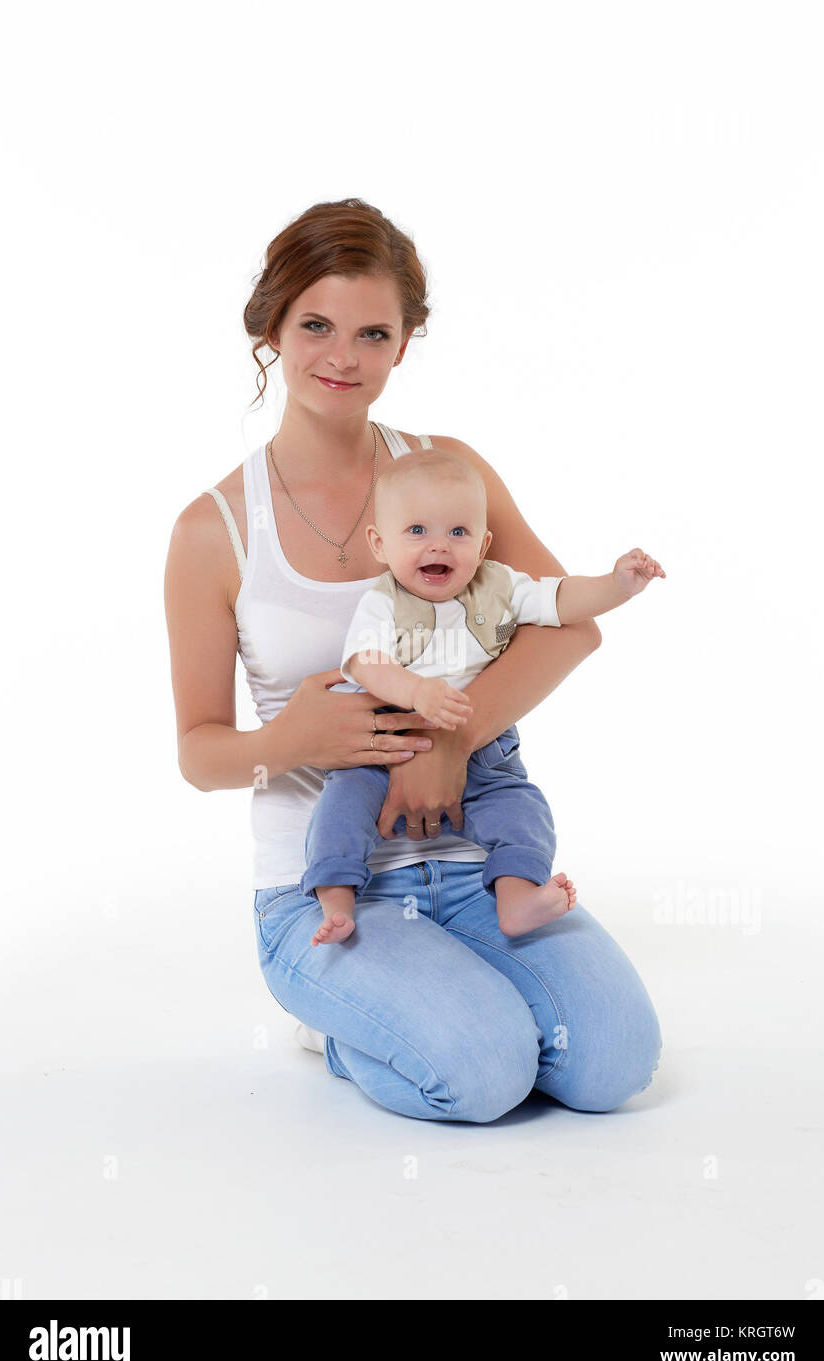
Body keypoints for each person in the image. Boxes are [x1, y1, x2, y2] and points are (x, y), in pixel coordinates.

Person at [163, 196, 663, 1123]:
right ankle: (349, 1022)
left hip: (478, 859)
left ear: (405, 342)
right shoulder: (215, 530)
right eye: (315, 325)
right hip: (329, 884)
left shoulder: (447, 472)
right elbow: (199, 753)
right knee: (486, 1076)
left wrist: (453, 742)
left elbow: (567, 623)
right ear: (271, 326)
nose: (342, 357)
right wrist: (297, 735)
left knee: (613, 1067)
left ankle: (444, 992)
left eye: (373, 332)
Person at [302, 445, 665, 945]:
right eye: (416, 531)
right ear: (380, 543)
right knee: (340, 808)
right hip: (383, 747)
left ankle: (517, 899)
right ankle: (338, 902)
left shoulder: (500, 585)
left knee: (521, 809)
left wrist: (617, 584)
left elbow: (563, 602)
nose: (439, 547)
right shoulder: (382, 601)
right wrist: (416, 691)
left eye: (458, 532)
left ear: (483, 542)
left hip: (483, 750)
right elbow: (366, 662)